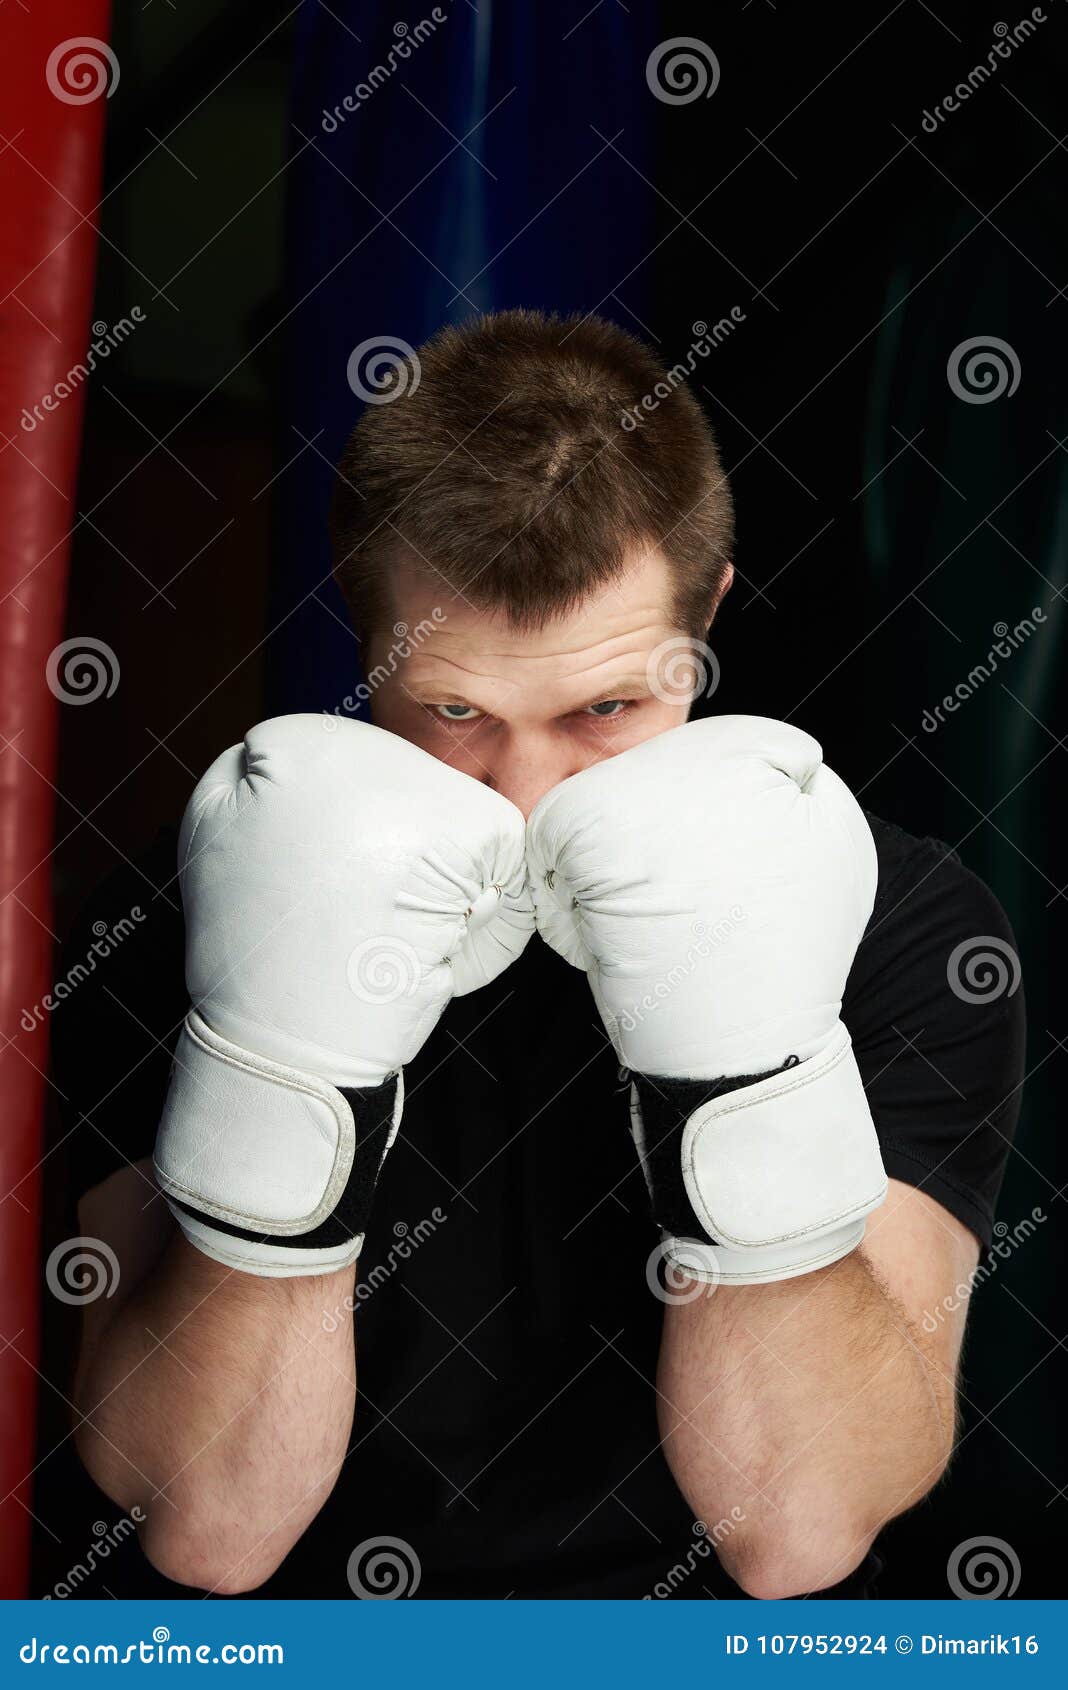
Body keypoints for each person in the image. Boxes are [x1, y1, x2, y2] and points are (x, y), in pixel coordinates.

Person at [54, 310, 1024, 1600]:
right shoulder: (183, 915)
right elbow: (208, 1531)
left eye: (604, 708)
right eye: (455, 709)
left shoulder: (904, 928)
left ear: (707, 615)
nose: (524, 791)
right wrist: (285, 1074)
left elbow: (799, 1532)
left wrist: (740, 1071)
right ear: (365, 633)